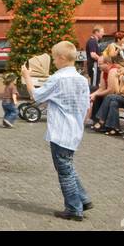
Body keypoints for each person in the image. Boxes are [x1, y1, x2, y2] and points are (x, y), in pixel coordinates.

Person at [22, 41, 93, 221]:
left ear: (61, 58)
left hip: (60, 132)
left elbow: (36, 96)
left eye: (54, 58)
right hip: (75, 130)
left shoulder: (57, 78)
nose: (53, 61)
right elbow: (86, 105)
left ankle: (73, 209)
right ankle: (83, 199)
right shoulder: (82, 80)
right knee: (68, 165)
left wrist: (27, 77)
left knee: (64, 170)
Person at [89, 59, 124, 128]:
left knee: (109, 97)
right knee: (111, 101)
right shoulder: (118, 75)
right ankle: (112, 127)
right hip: (119, 95)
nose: (117, 69)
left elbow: (115, 91)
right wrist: (93, 95)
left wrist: (116, 77)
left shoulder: (115, 72)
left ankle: (101, 120)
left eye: (119, 68)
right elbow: (105, 88)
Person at [85, 25, 104, 90]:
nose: (103, 34)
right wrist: (101, 59)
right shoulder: (92, 41)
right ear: (96, 32)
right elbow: (93, 54)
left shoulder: (94, 41)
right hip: (94, 66)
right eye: (102, 32)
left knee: (96, 83)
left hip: (95, 66)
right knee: (94, 85)